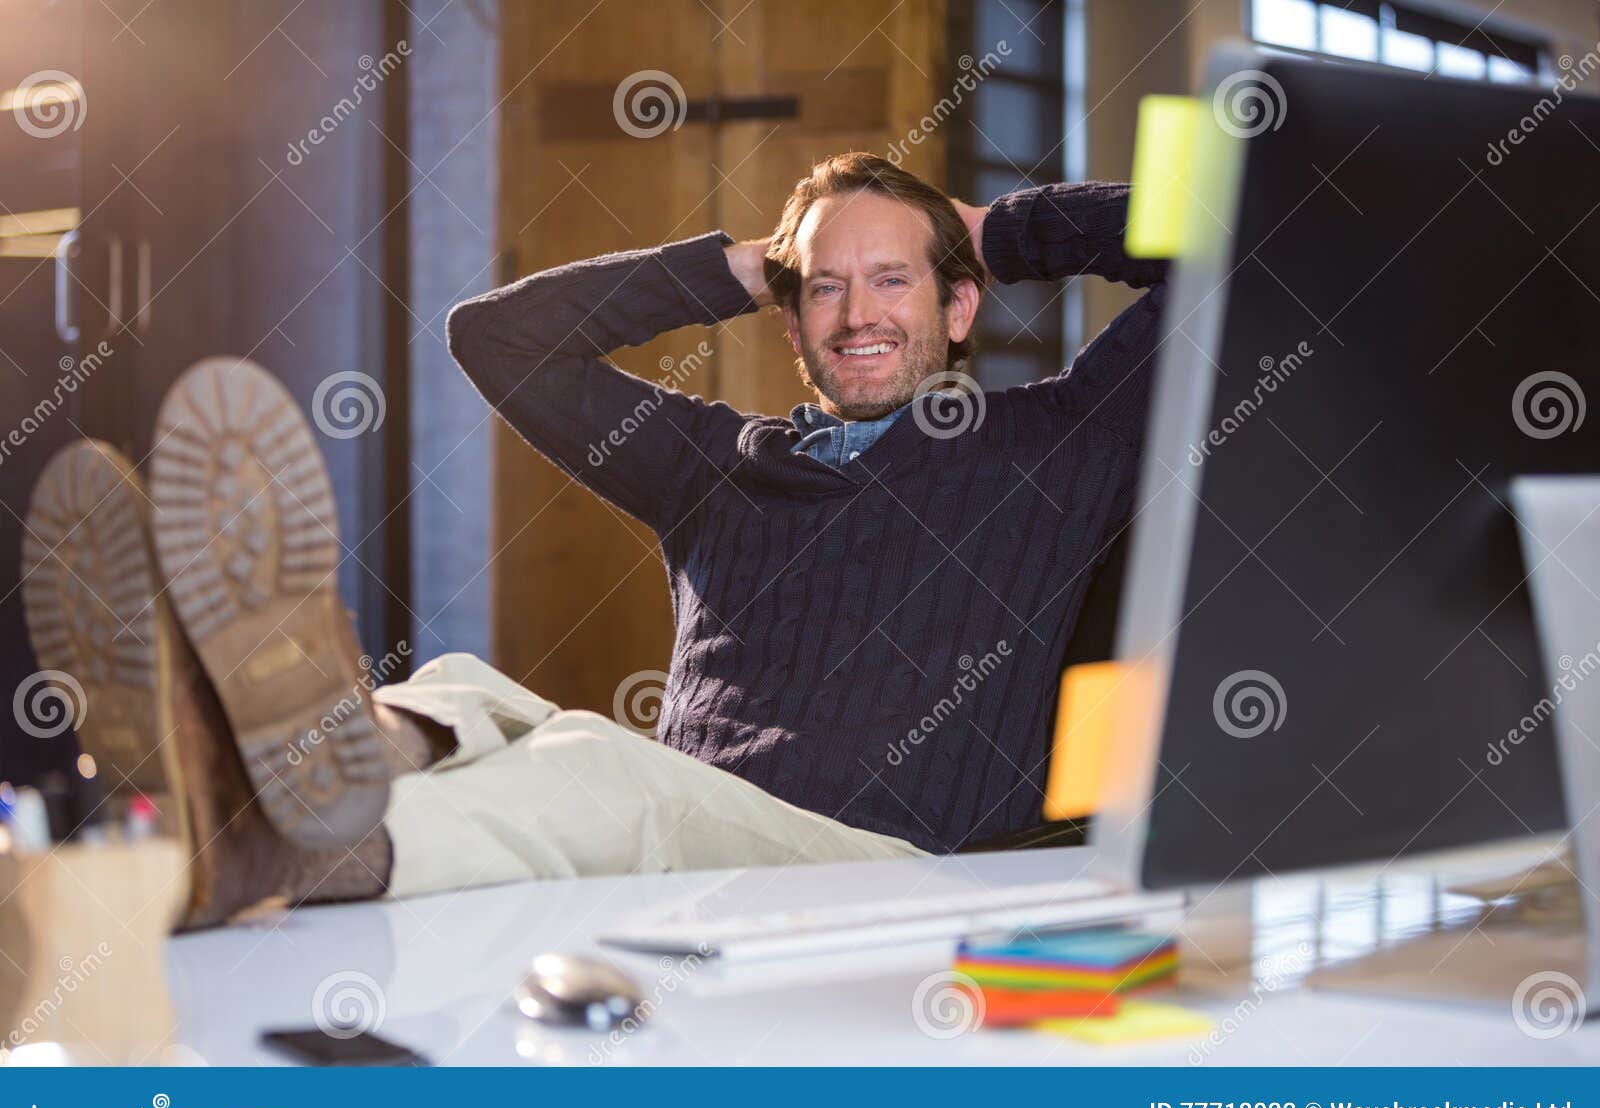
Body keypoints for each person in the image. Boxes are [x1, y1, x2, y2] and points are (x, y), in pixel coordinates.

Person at [20, 153, 1166, 928]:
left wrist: (1005, 230)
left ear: (958, 306)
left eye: (892, 280)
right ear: (789, 318)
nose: (855, 314)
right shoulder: (718, 466)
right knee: (471, 689)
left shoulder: (1058, 442)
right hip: (681, 856)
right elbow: (499, 340)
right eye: (820, 286)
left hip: (879, 876)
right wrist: (734, 263)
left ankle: (268, 844)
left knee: (605, 772)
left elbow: (1257, 233)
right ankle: (247, 775)